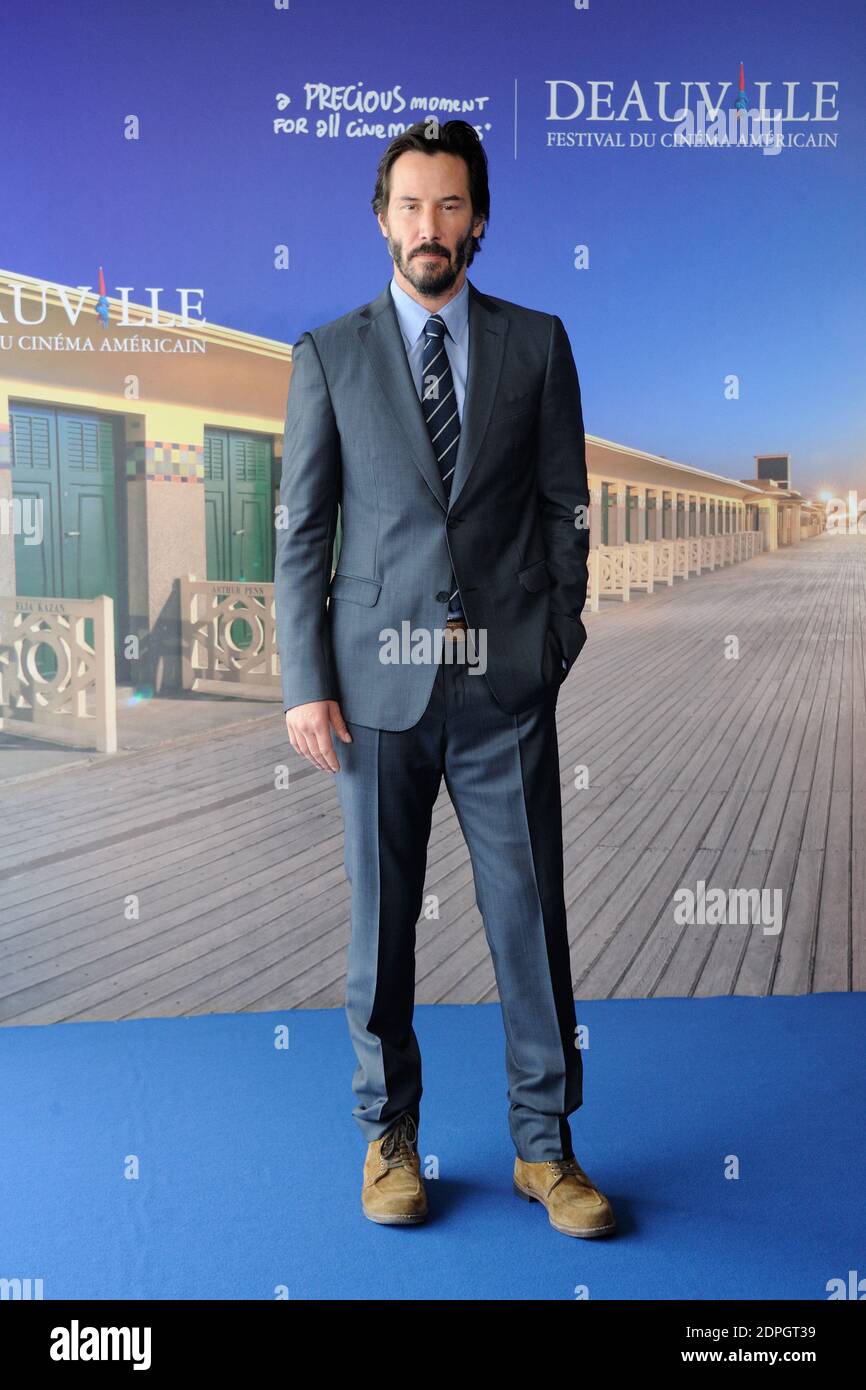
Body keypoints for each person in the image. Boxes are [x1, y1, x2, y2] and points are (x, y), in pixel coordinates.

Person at [275, 119, 615, 1239]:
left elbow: (565, 508)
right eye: (412, 205)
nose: (431, 225)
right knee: (380, 926)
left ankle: (544, 1148)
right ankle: (390, 1139)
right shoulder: (328, 354)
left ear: (478, 221)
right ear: (383, 219)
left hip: (502, 689)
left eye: (451, 205)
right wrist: (304, 680)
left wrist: (553, 639)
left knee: (529, 918)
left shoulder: (537, 344)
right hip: (376, 693)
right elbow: (303, 530)